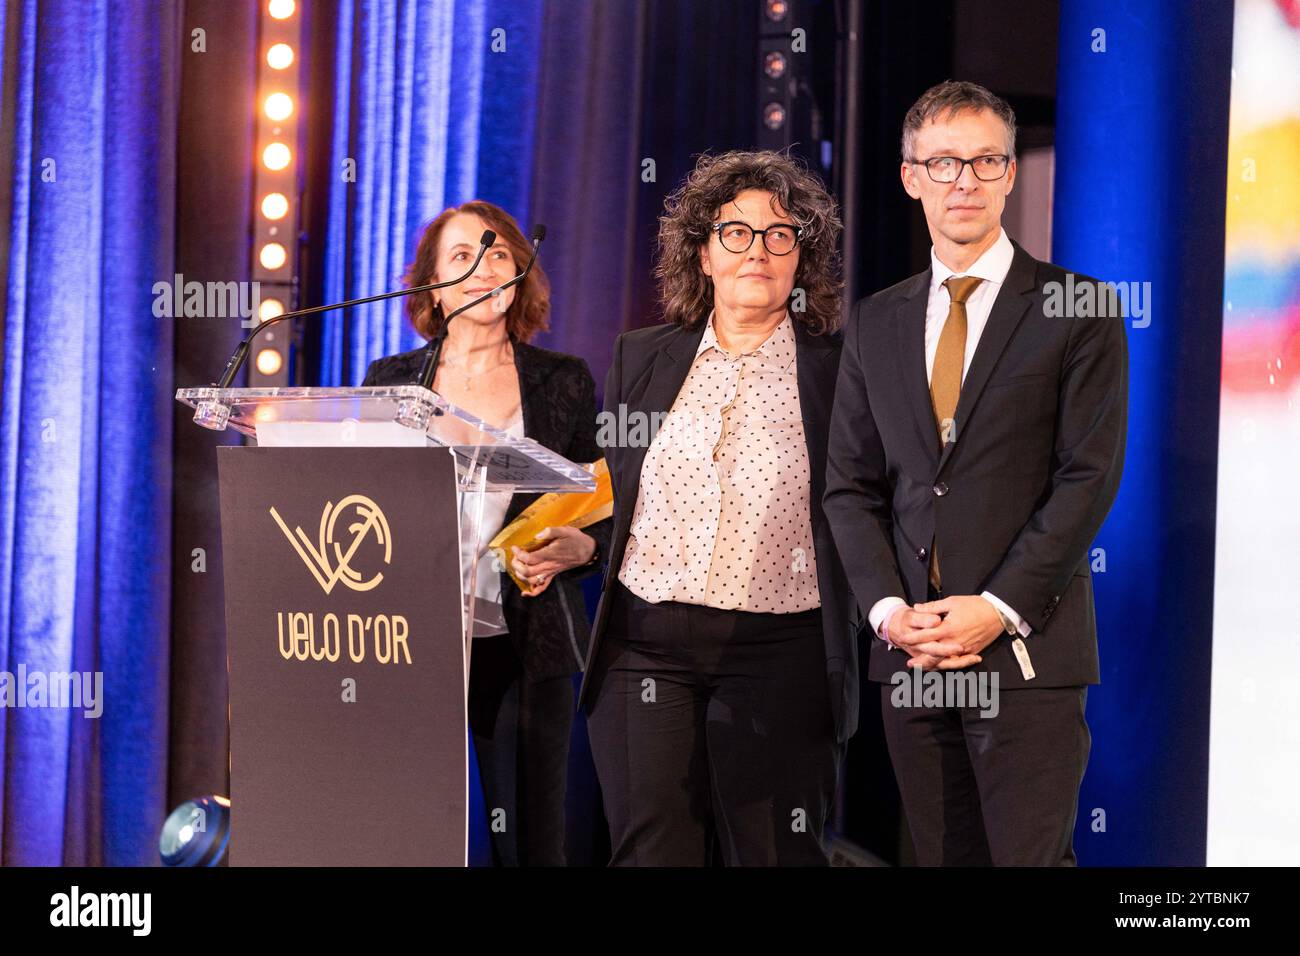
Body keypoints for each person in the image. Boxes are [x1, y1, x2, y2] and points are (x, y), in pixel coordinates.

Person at [823, 80, 1128, 865]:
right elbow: (850, 486)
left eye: (986, 161)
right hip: (913, 654)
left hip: (1026, 653)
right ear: (909, 175)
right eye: (945, 162)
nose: (965, 180)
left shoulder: (1078, 307)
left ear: (1010, 174)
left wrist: (996, 608)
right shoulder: (877, 318)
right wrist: (890, 612)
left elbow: (1086, 479)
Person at [579, 150, 856, 866]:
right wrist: (577, 541)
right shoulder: (639, 357)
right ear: (702, 253)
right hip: (644, 646)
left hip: (782, 649)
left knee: (778, 855)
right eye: (735, 233)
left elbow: (867, 503)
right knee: (650, 852)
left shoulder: (840, 370)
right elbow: (622, 490)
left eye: (779, 235)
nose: (757, 251)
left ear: (802, 256)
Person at [362, 200, 609, 866]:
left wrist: (583, 547)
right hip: (408, 640)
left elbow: (606, 503)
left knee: (527, 842)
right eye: (462, 255)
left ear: (519, 274)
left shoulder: (562, 380)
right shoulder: (389, 382)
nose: (483, 268)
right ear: (431, 286)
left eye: (498, 253)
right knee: (405, 836)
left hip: (525, 643)